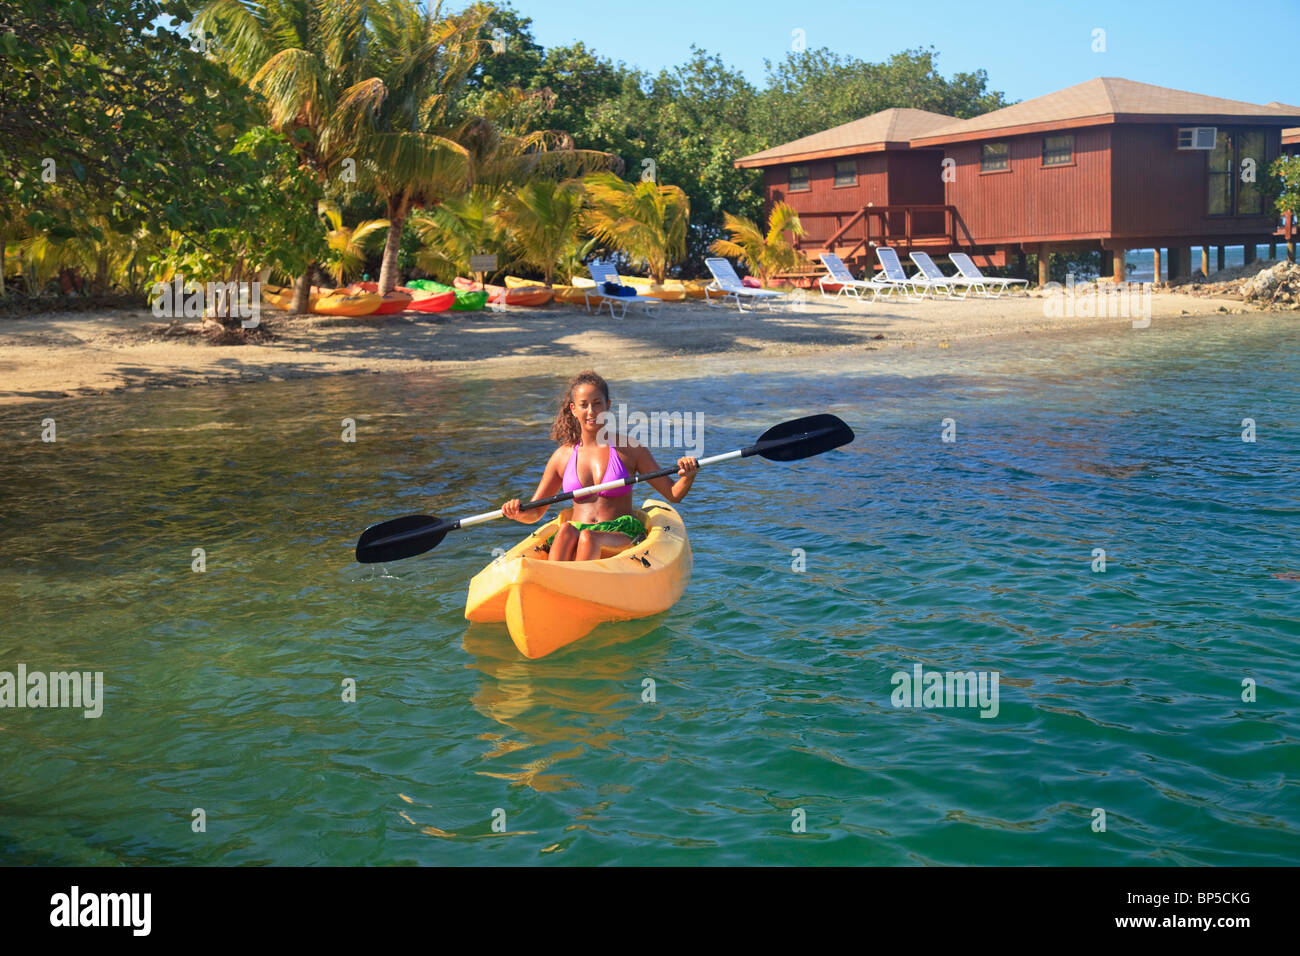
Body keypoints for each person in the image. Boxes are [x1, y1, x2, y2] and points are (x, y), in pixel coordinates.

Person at [502, 370, 699, 562]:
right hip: (579, 533)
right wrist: (517, 512)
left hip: (620, 534)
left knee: (588, 537)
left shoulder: (629, 449)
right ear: (573, 409)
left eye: (597, 404)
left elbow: (673, 493)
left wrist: (687, 475)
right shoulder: (561, 457)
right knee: (566, 531)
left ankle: (576, 585)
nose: (591, 411)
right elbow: (535, 512)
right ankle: (553, 583)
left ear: (608, 406)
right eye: (584, 405)